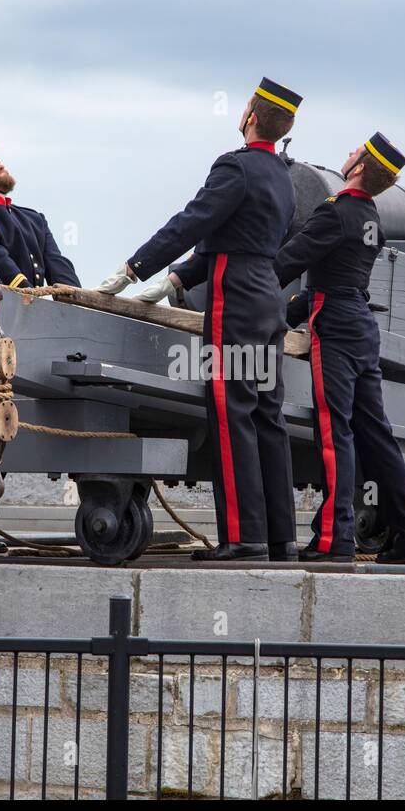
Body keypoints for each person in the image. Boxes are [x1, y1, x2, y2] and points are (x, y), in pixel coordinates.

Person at [93, 78, 303, 562]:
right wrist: (176, 278)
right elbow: (236, 236)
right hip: (267, 298)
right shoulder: (282, 178)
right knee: (267, 418)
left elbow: (192, 223)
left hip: (237, 299)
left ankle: (242, 538)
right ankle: (280, 539)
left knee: (232, 417)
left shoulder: (235, 166)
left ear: (250, 114)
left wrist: (132, 268)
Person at [274, 134, 405, 564]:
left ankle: (334, 538)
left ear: (360, 168)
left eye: (352, 153)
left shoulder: (336, 213)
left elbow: (286, 263)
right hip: (362, 326)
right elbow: (340, 277)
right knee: (378, 436)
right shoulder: (370, 218)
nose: (346, 156)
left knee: (334, 433)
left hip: (337, 329)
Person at [0, 140, 81, 288]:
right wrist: (26, 290)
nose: (1, 165)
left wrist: (77, 298)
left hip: (29, 303)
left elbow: (56, 262)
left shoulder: (34, 218)